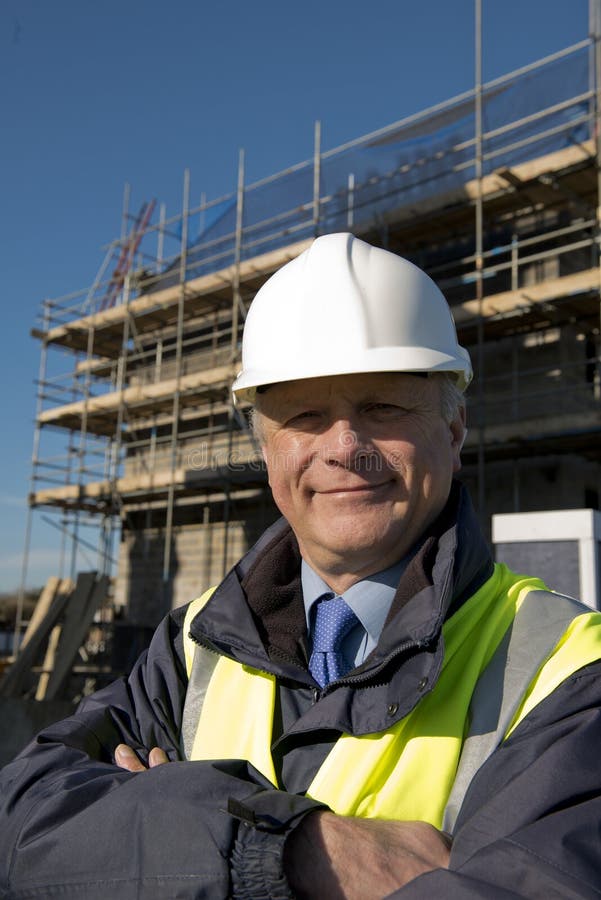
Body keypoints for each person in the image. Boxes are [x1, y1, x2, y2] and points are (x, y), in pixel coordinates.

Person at [2, 233, 601, 899]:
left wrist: (161, 824)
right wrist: (297, 852)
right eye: (304, 417)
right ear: (266, 450)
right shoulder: (193, 643)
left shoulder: (565, 671)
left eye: (383, 408)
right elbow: (22, 822)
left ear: (453, 430)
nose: (343, 447)